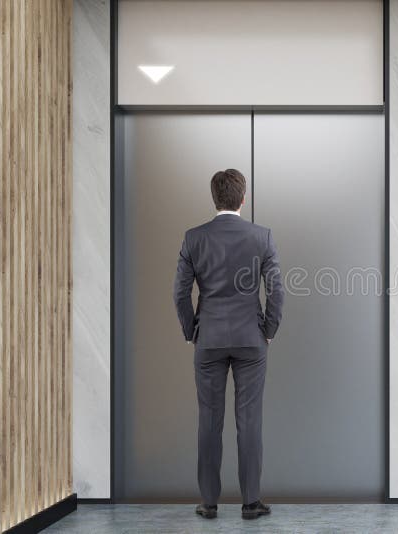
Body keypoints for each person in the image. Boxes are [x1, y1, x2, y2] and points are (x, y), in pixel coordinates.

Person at [173, 169, 284, 520]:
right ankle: (251, 503)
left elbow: (180, 293)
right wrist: (268, 329)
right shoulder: (261, 237)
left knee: (209, 420)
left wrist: (192, 331)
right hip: (252, 340)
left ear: (214, 198)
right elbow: (277, 290)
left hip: (209, 341)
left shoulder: (194, 239)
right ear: (243, 198)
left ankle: (208, 503)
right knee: (249, 421)